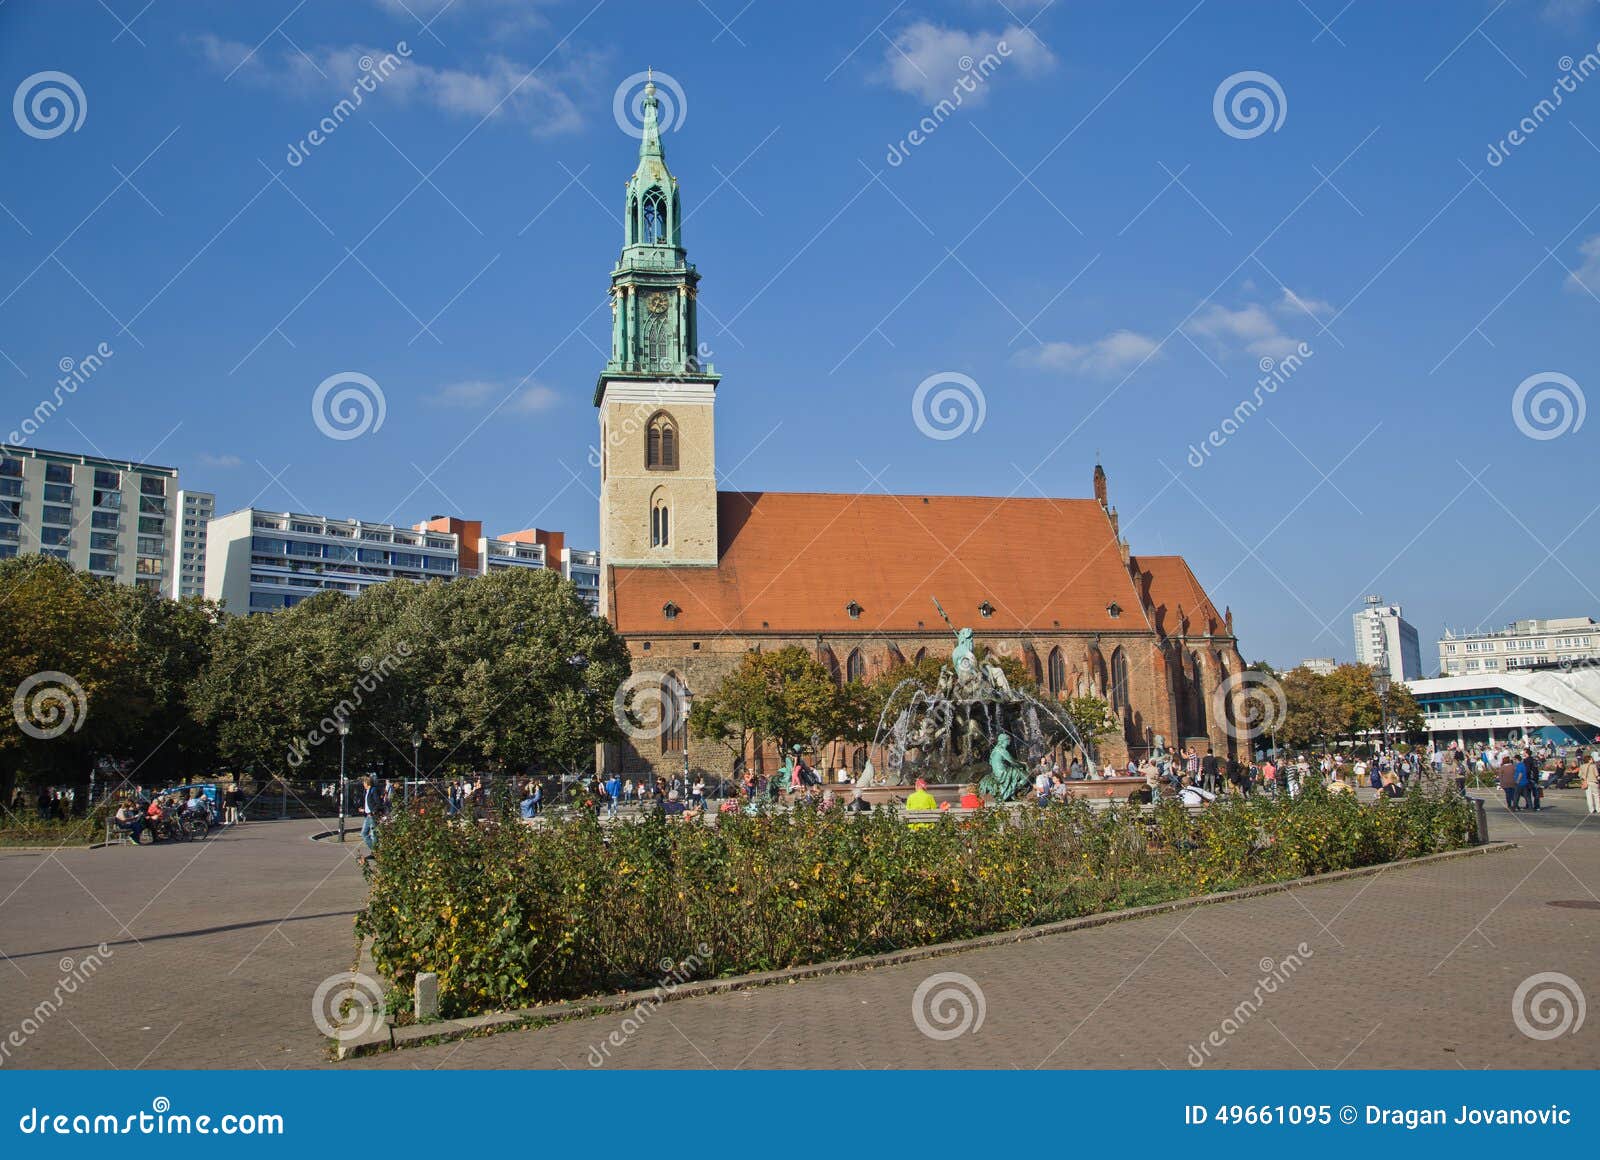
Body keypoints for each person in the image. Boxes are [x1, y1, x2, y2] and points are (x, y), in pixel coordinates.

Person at [359, 775, 382, 862]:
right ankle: (375, 851)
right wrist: (363, 810)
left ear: (367, 783)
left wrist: (373, 811)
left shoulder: (373, 790)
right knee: (364, 833)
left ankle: (375, 852)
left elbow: (378, 803)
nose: (363, 784)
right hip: (367, 815)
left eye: (364, 782)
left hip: (372, 816)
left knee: (374, 835)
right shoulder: (366, 791)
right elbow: (367, 803)